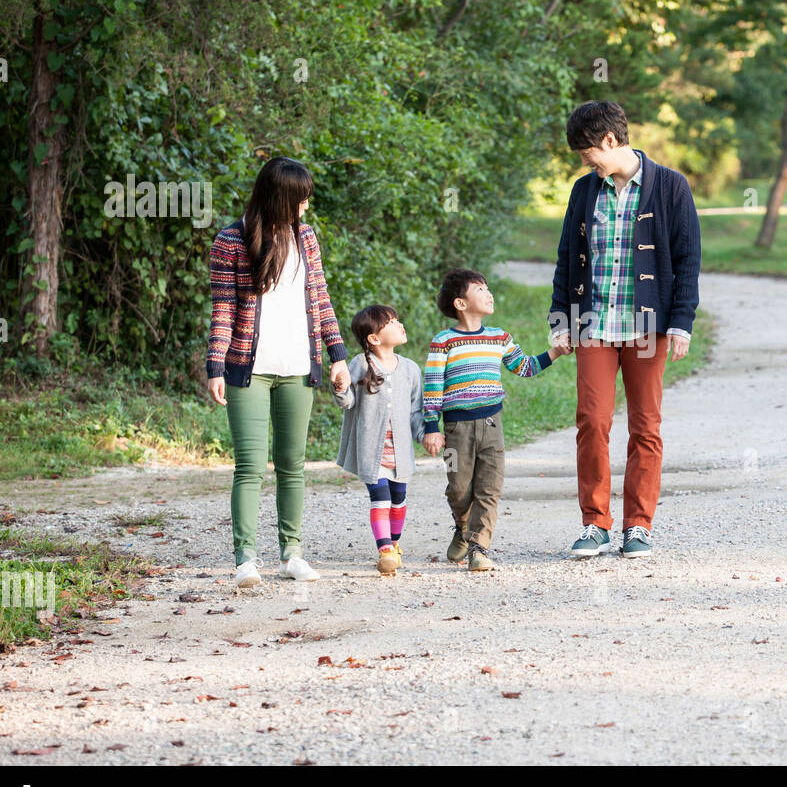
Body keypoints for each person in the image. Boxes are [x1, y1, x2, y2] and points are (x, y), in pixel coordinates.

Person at [549, 100, 701, 560]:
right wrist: (561, 320)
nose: (585, 161)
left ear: (610, 141)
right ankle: (595, 523)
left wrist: (682, 322)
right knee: (592, 422)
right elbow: (565, 258)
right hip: (594, 323)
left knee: (645, 426)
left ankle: (638, 526)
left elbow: (687, 260)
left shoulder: (670, 187)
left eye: (587, 151)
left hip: (647, 325)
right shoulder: (584, 191)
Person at [206, 156, 350, 588]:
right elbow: (223, 308)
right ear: (280, 198)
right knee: (249, 465)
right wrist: (215, 365)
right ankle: (245, 559)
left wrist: (337, 354)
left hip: (297, 366)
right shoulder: (230, 241)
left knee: (292, 464)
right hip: (247, 367)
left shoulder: (305, 237)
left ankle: (291, 554)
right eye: (301, 198)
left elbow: (321, 298)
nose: (307, 206)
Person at [422, 268, 569, 572]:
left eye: (488, 288)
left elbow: (524, 366)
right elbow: (432, 388)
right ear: (460, 303)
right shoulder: (444, 342)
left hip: (492, 426)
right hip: (454, 430)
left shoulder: (499, 337)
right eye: (480, 289)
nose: (489, 293)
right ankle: (462, 527)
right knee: (458, 488)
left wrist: (553, 353)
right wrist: (431, 429)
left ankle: (479, 548)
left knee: (490, 489)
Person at [333, 304, 425, 577]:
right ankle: (384, 549)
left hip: (399, 452)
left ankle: (394, 544)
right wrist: (340, 388)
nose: (400, 324)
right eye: (392, 322)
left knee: (398, 499)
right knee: (380, 496)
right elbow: (348, 401)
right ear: (374, 338)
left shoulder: (409, 369)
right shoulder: (360, 364)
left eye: (398, 319)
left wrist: (425, 435)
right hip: (371, 450)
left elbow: (416, 410)